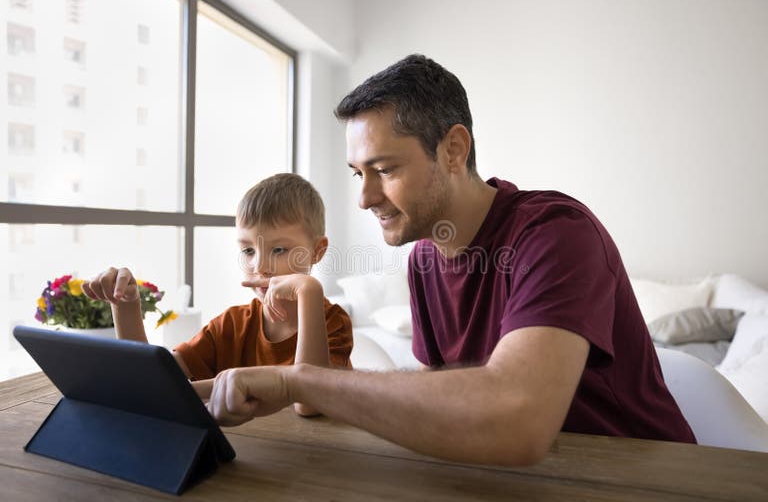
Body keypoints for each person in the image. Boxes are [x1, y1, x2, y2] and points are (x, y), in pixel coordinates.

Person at [204, 54, 695, 465]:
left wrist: (300, 380)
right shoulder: (423, 260)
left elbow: (517, 417)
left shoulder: (556, 233)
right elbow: (441, 395)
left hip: (641, 475)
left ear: (454, 149)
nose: (365, 198)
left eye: (385, 169)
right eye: (358, 174)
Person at [82, 173, 353, 416]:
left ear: (317, 251)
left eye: (279, 250)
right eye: (248, 250)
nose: (259, 266)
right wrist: (126, 305)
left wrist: (309, 291)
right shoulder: (232, 324)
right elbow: (149, 381)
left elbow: (309, 403)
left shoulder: (333, 323)